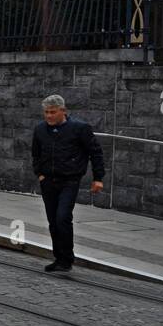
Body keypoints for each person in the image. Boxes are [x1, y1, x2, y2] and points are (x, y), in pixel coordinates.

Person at [31, 94, 105, 273]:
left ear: (63, 111)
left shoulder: (79, 128)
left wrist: (98, 178)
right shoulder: (40, 129)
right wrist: (40, 174)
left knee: (62, 217)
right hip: (48, 181)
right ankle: (60, 258)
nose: (49, 116)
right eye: (46, 112)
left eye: (53, 112)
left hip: (69, 181)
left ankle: (67, 258)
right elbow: (36, 154)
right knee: (52, 221)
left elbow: (95, 152)